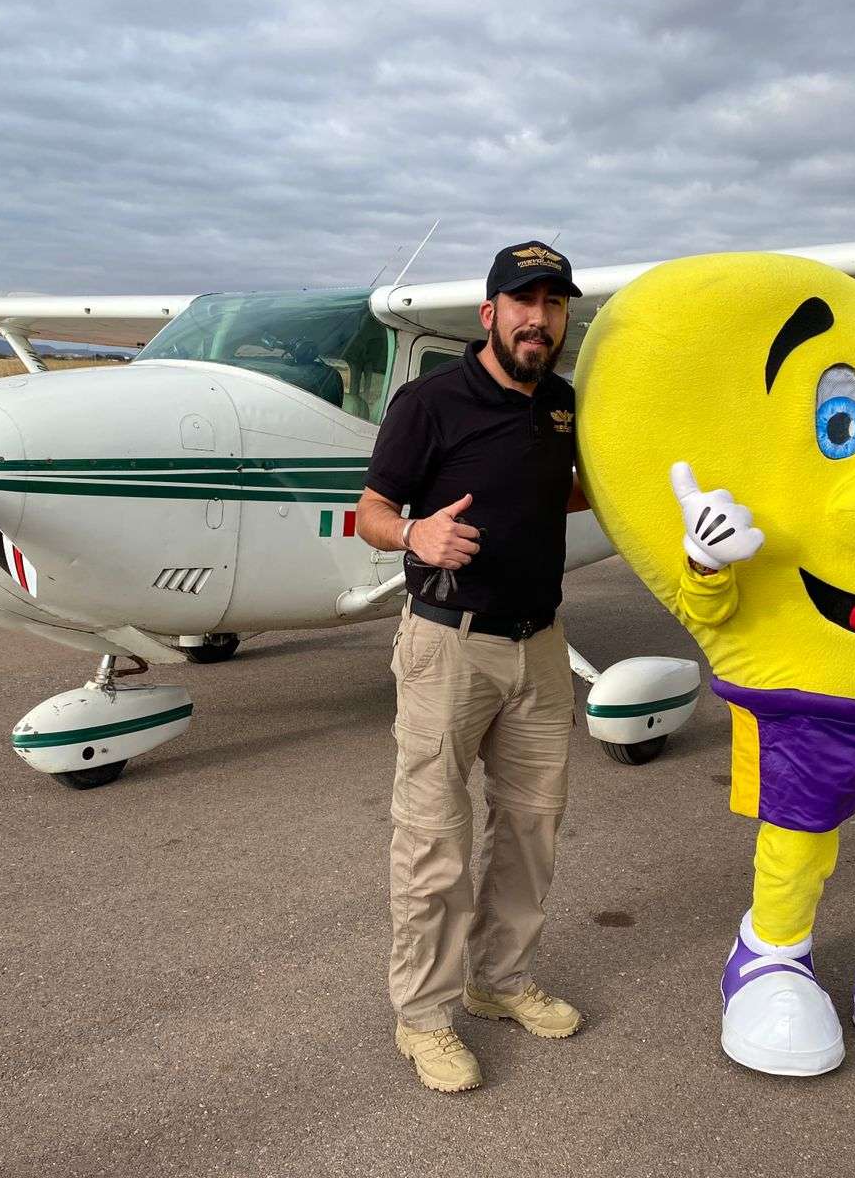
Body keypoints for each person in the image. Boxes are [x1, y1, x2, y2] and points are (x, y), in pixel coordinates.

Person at [355, 241, 591, 1093]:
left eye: (553, 304)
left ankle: (499, 980)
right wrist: (414, 533)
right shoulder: (430, 402)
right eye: (524, 302)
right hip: (448, 645)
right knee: (435, 841)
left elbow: (560, 487)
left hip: (541, 644)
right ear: (491, 314)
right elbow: (372, 511)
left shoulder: (560, 402)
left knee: (531, 828)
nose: (539, 319)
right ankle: (423, 1016)